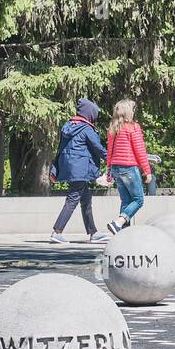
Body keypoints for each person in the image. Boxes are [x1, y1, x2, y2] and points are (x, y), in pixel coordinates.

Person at [49, 98, 107, 244]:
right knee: (73, 199)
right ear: (89, 114)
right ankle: (57, 231)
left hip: (70, 168)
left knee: (86, 199)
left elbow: (59, 149)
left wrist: (55, 169)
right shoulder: (86, 129)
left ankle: (93, 232)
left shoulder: (67, 126)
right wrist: (112, 158)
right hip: (80, 169)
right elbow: (98, 149)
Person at [95, 99, 153, 239]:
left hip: (116, 168)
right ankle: (118, 223)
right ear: (128, 112)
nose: (134, 112)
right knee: (138, 200)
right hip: (129, 167)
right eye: (132, 109)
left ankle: (122, 233)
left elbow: (110, 151)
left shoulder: (113, 128)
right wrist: (147, 171)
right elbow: (139, 150)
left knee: (126, 200)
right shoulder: (133, 127)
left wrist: (109, 169)